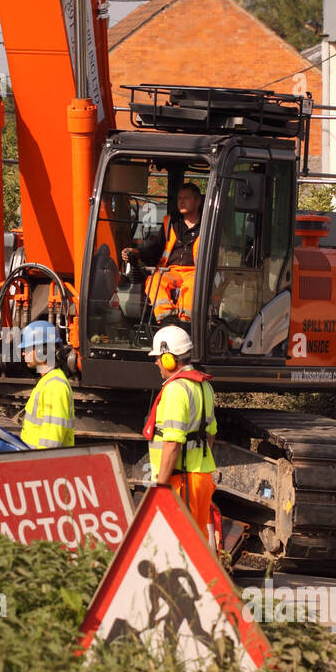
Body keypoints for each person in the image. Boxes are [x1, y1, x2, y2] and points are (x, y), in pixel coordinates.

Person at [142, 325, 218, 544]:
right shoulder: (204, 386)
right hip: (200, 478)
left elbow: (173, 444)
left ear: (169, 358)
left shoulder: (176, 390)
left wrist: (161, 488)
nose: (156, 363)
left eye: (158, 357)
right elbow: (211, 433)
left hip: (181, 480)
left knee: (176, 544)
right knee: (195, 542)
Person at [121, 182, 203, 322]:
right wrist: (136, 251)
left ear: (198, 201)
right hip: (170, 270)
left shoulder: (207, 225)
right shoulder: (170, 223)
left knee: (194, 286)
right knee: (155, 281)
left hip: (195, 272)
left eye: (186, 198)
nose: (181, 201)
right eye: (179, 198)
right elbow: (154, 249)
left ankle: (186, 322)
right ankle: (167, 319)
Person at [18, 320, 75, 449]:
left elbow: (51, 442)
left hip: (43, 465)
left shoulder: (54, 387)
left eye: (27, 349)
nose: (23, 353)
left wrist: (40, 467)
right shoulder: (46, 381)